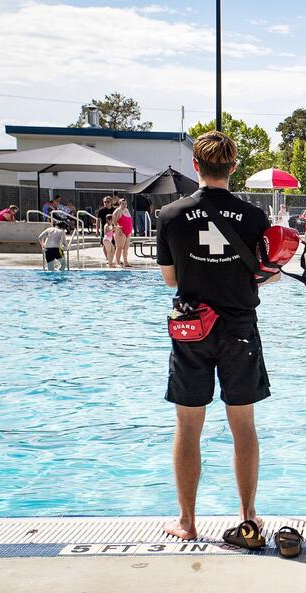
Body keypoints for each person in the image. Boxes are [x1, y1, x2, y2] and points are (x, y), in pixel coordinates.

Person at [156, 131, 278, 541]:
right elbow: (264, 275)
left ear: (196, 167)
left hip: (192, 328)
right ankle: (248, 515)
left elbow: (170, 277)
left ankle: (188, 522)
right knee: (242, 425)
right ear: (233, 166)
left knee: (188, 426)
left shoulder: (170, 215)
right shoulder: (254, 217)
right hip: (239, 329)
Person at [111, 197, 133, 268]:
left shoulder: (127, 210)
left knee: (126, 248)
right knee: (119, 247)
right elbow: (114, 221)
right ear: (120, 204)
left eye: (125, 203)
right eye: (123, 204)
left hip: (128, 231)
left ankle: (126, 262)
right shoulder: (117, 211)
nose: (124, 205)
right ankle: (117, 262)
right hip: (121, 231)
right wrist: (118, 228)